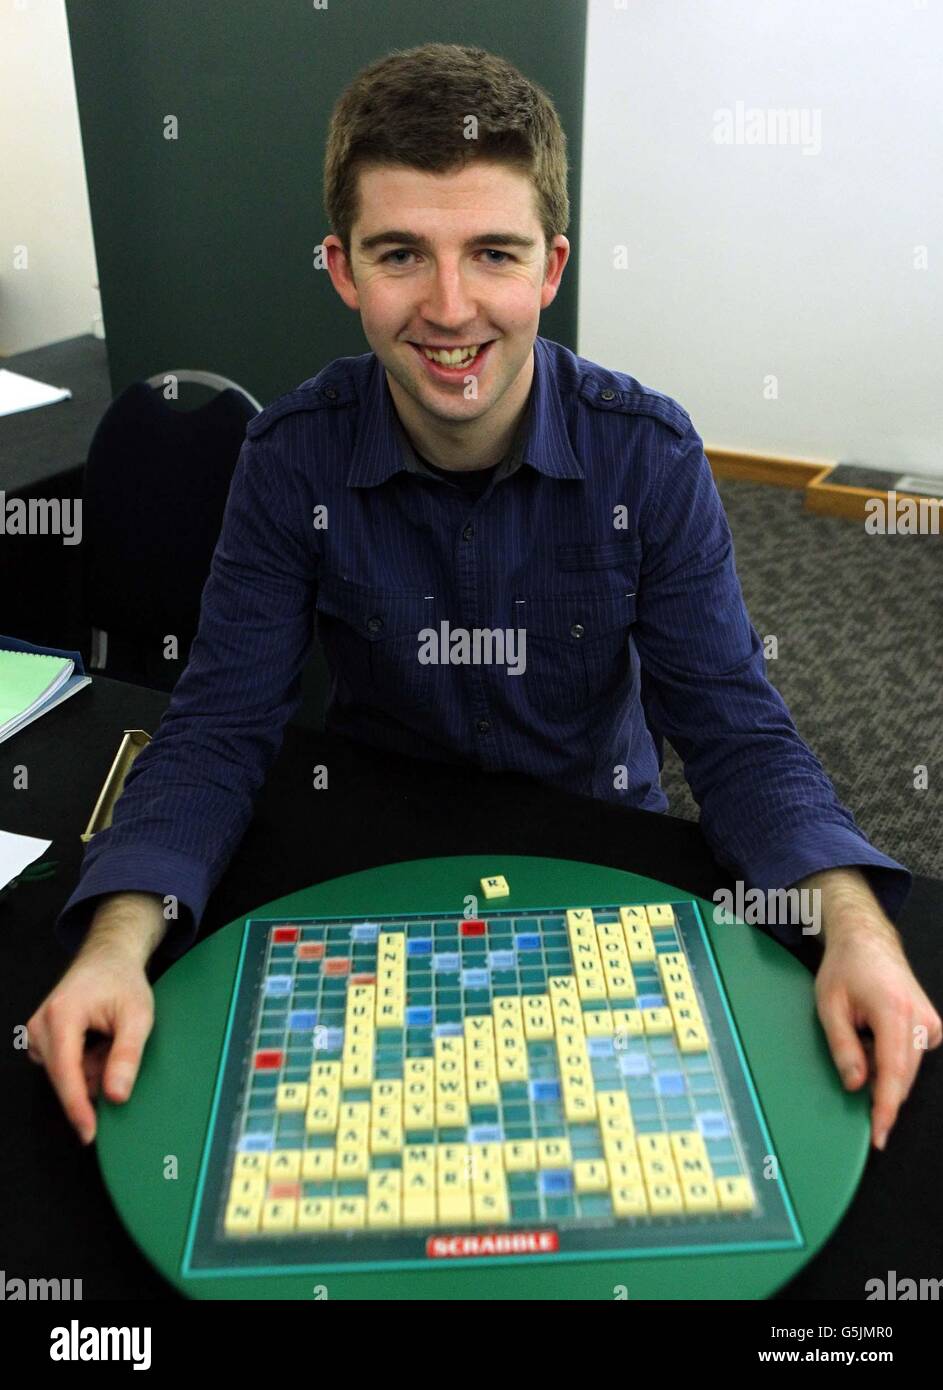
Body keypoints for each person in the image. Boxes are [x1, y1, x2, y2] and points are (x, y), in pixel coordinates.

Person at [28, 42, 940, 1157]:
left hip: (605, 846)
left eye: (492, 254)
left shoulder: (646, 455)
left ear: (550, 269)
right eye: (402, 253)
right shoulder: (288, 457)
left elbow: (736, 731)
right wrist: (118, 942)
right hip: (378, 846)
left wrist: (848, 922)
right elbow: (218, 728)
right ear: (342, 268)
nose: (450, 309)